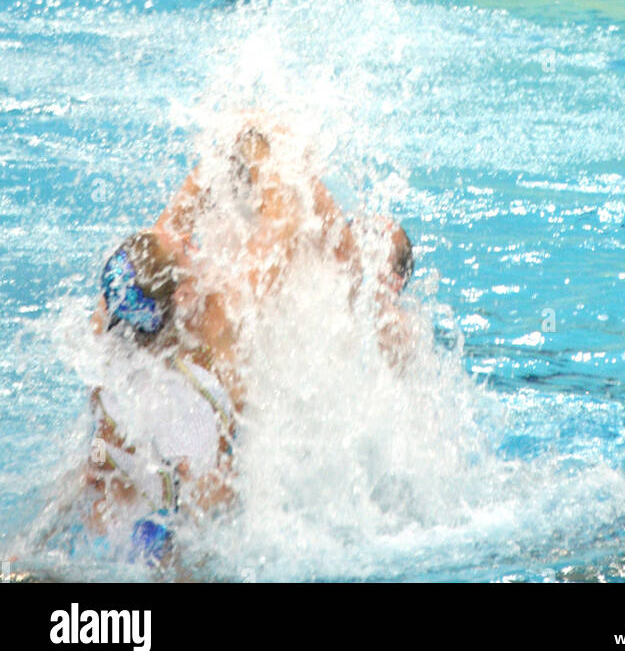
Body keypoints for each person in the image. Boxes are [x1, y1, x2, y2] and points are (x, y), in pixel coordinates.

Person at [84, 117, 414, 567]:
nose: (187, 238)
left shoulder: (113, 319)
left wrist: (219, 160)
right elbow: (288, 216)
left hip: (122, 498)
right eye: (184, 247)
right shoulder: (223, 320)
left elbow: (163, 234)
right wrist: (275, 154)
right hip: (199, 516)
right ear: (181, 289)